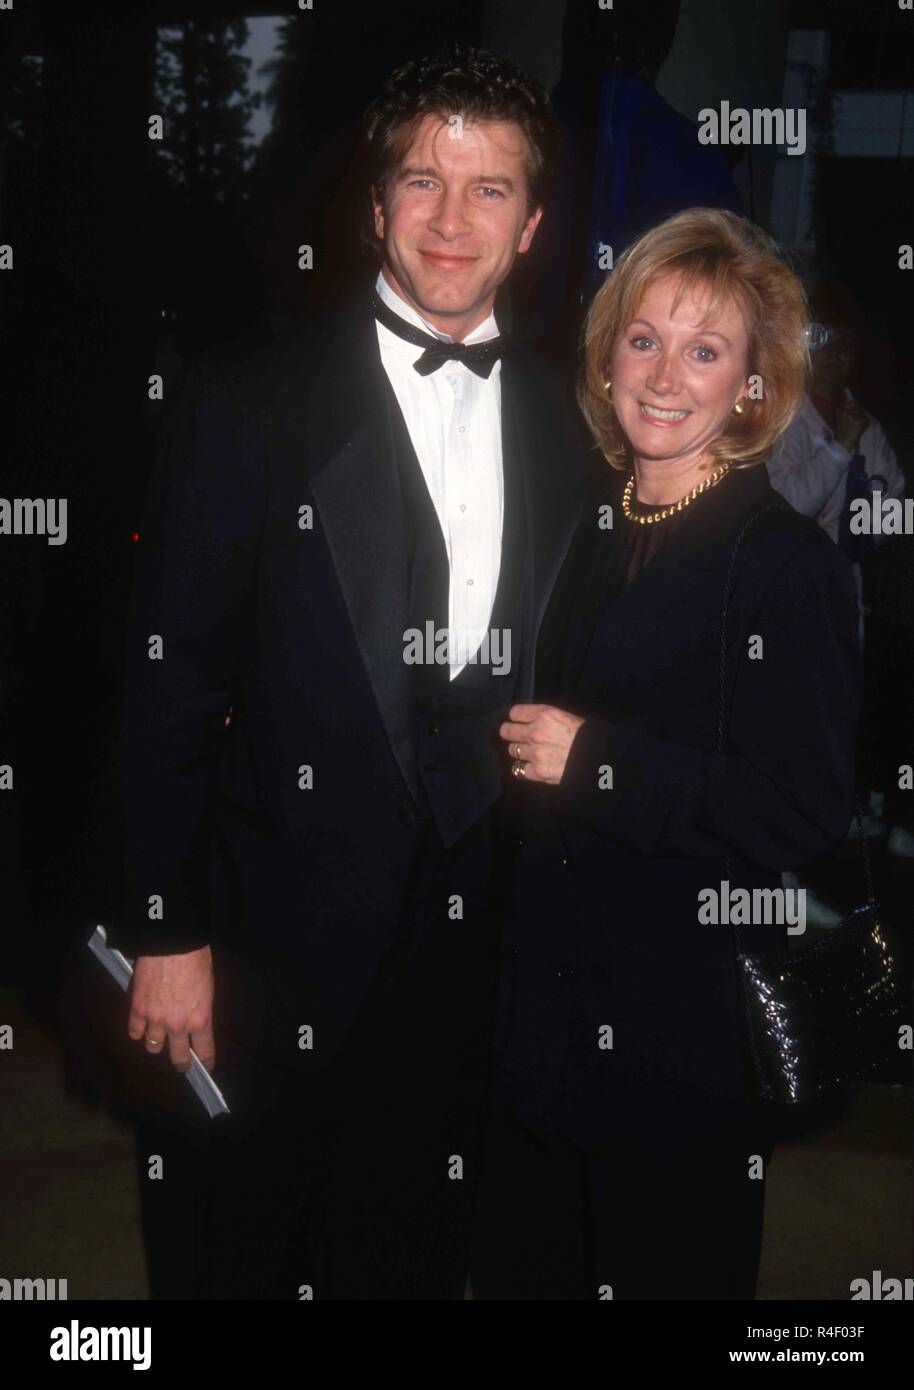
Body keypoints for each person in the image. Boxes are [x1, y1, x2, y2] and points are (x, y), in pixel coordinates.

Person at [108, 45, 590, 1300]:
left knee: (415, 1254)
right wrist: (165, 926)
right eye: (420, 181)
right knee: (242, 1251)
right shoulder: (245, 402)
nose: (448, 220)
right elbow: (163, 681)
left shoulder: (568, 423)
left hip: (478, 951)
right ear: (374, 204)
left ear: (531, 224)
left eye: (488, 191)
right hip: (274, 941)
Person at [470, 208, 862, 1300]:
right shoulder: (584, 530)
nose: (663, 374)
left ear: (749, 383)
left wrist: (598, 762)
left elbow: (805, 809)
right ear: (606, 354)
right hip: (537, 1040)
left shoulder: (783, 565)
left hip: (682, 1053)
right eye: (642, 338)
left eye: (704, 350)